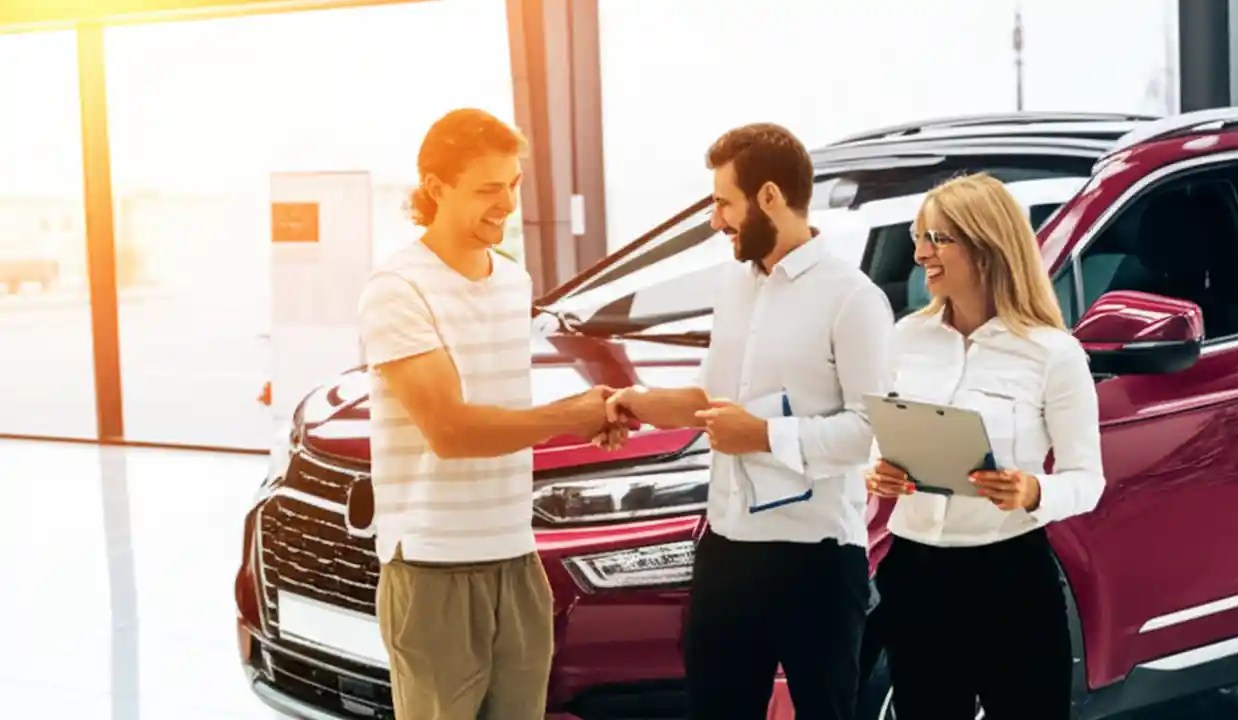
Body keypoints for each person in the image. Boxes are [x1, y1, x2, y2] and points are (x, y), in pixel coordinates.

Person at [605, 123, 895, 720]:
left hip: (815, 561)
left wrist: (762, 436)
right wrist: (634, 402)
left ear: (768, 197)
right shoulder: (733, 289)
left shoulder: (855, 299)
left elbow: (871, 432)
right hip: (727, 552)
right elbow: (714, 400)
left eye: (722, 203)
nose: (716, 221)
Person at [356, 108, 620, 720]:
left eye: (512, 184)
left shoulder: (512, 281)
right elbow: (449, 430)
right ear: (435, 188)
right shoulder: (396, 288)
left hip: (516, 558)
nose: (505, 204)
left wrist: (587, 412)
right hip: (431, 568)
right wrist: (567, 417)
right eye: (486, 189)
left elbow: (504, 409)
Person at [863, 172, 1105, 720]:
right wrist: (876, 474)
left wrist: (1031, 490)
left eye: (937, 238)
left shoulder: (1052, 354)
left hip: (1011, 580)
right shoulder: (904, 340)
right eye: (918, 236)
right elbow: (871, 439)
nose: (921, 252)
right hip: (916, 576)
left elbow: (1087, 480)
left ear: (986, 246)